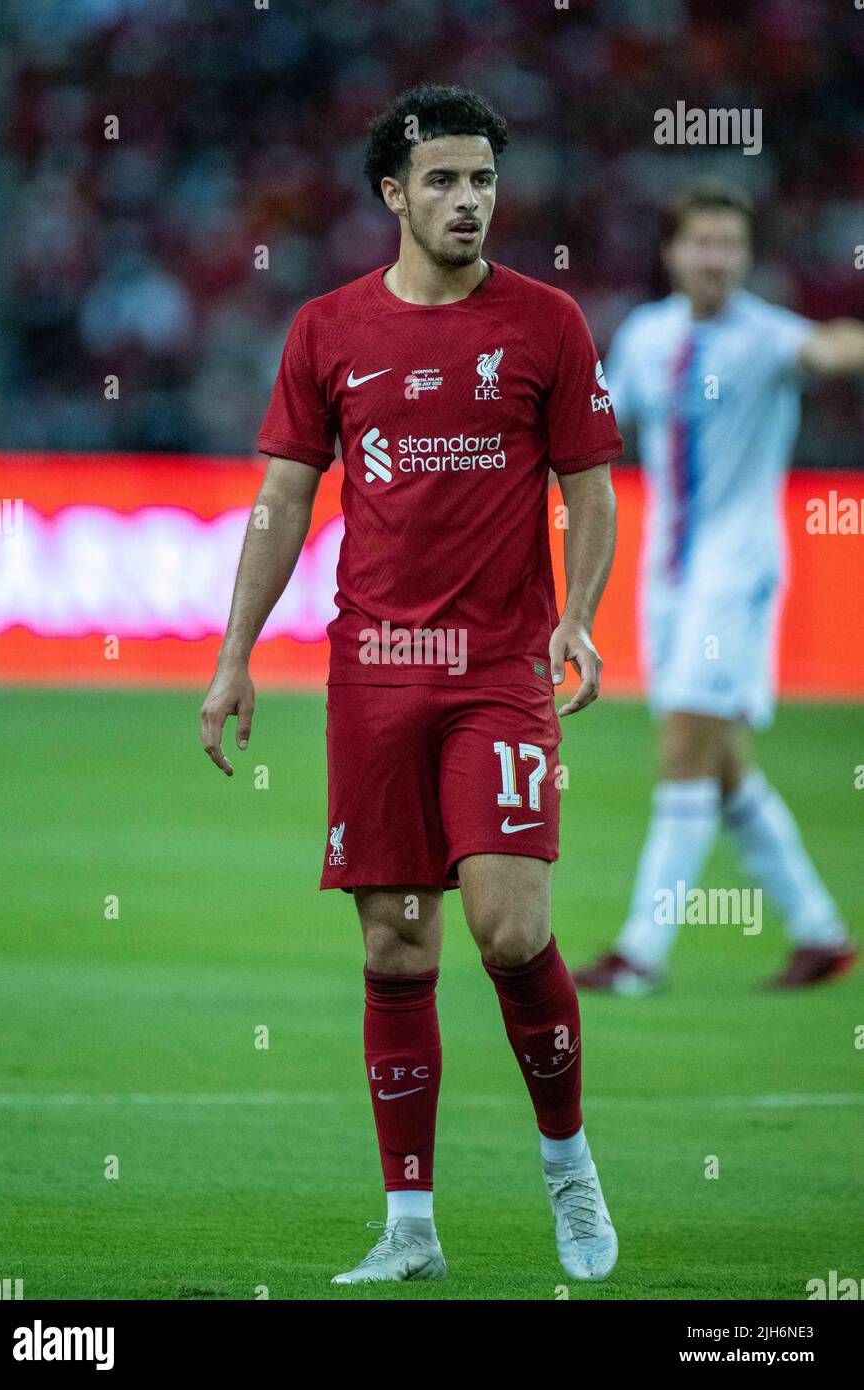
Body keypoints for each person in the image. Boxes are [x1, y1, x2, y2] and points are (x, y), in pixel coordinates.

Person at [201, 84, 622, 1283]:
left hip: (496, 668)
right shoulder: (327, 329)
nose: (467, 200)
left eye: (482, 179)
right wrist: (234, 655)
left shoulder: (545, 323)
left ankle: (567, 1165)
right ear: (394, 193)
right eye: (442, 179)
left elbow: (588, 487)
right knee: (395, 949)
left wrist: (576, 619)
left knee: (511, 925)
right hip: (376, 669)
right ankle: (410, 1228)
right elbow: (284, 497)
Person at [574, 181, 863, 996]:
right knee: (721, 759)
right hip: (665, 574)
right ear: (671, 252)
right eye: (701, 242)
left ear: (745, 257)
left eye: (729, 245)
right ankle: (819, 932)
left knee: (682, 743)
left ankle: (641, 952)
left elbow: (831, 348)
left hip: (735, 575)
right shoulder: (647, 333)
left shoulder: (768, 338)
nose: (716, 258)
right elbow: (595, 421)